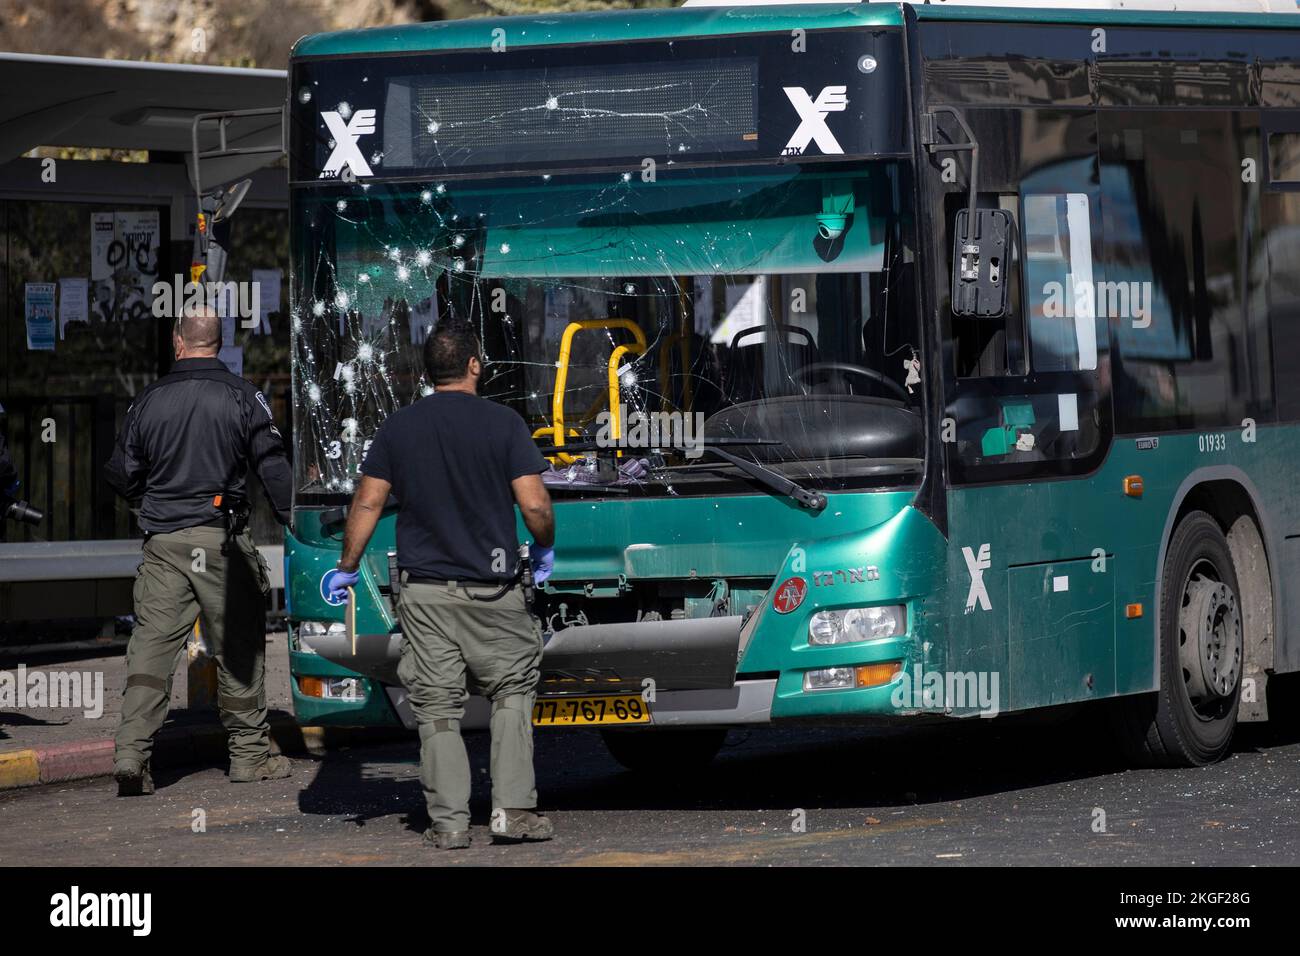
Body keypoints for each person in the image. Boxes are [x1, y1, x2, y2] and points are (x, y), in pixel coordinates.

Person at [331, 319, 556, 850]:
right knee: (511, 693)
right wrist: (543, 544)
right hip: (494, 592)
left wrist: (347, 565)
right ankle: (513, 813)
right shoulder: (504, 424)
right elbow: (535, 504)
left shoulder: (399, 429)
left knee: (436, 708)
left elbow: (367, 502)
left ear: (428, 372)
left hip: (425, 594)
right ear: (475, 365)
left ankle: (451, 824)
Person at [104, 306, 293, 795]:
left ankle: (130, 753)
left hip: (164, 543)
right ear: (220, 342)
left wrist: (152, 504)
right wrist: (296, 520)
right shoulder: (243, 396)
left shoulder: (148, 400)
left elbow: (121, 473)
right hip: (219, 543)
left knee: (150, 648)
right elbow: (273, 468)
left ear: (177, 341)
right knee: (239, 649)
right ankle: (249, 757)